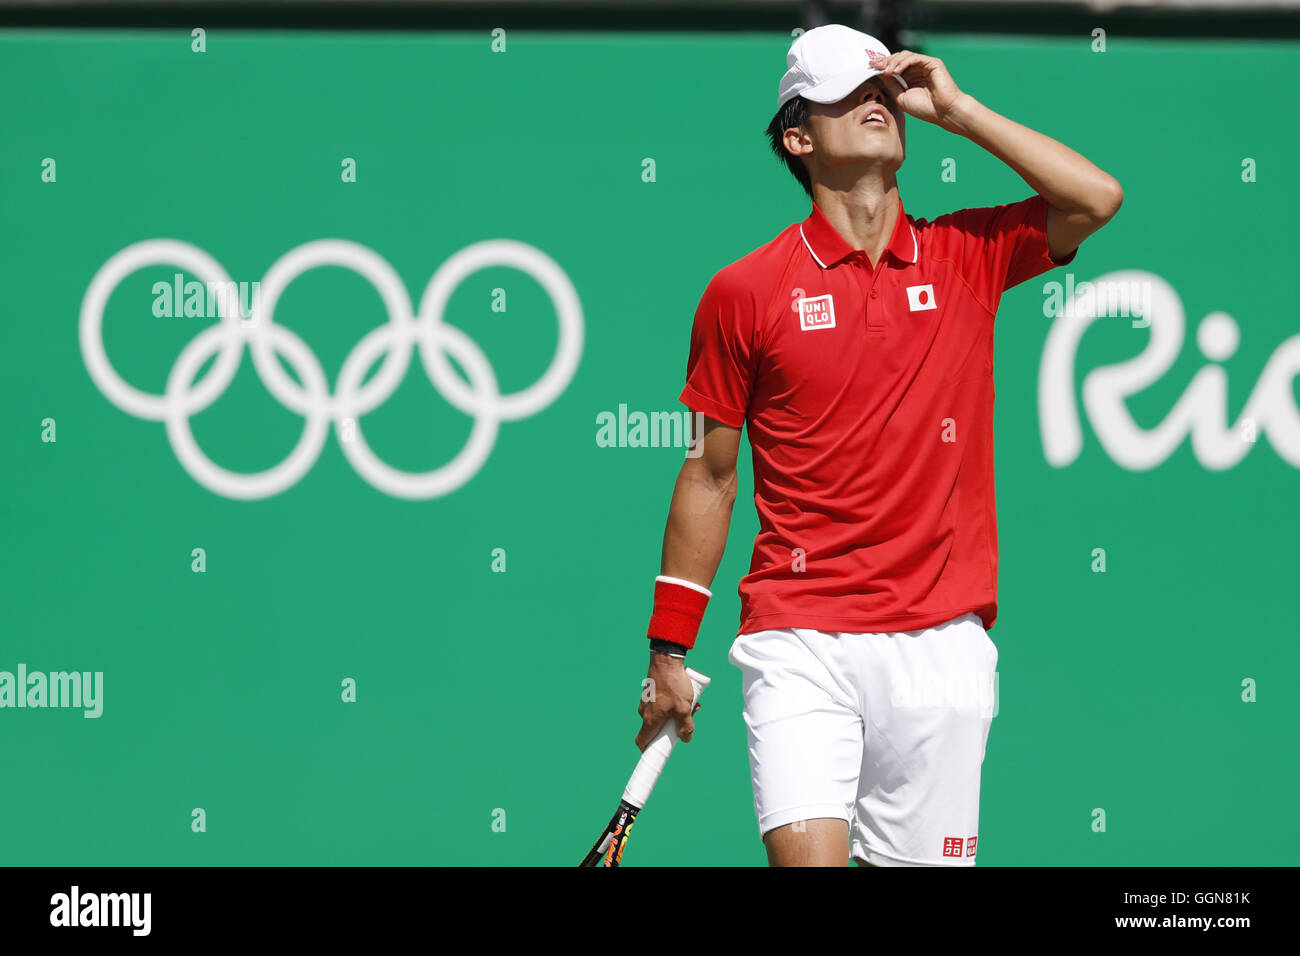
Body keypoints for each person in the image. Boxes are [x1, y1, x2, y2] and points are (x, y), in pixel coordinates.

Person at [634, 24, 1122, 866]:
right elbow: (710, 477)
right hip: (800, 638)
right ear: (797, 135)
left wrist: (960, 109)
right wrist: (668, 650)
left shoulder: (968, 253)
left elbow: (1096, 199)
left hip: (942, 648)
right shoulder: (744, 292)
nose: (875, 105)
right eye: (844, 97)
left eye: (883, 93)